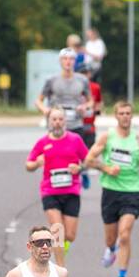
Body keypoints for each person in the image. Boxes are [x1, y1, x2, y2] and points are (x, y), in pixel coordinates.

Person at [86, 100, 139, 277]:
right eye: (121, 113)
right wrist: (106, 168)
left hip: (132, 191)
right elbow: (88, 160)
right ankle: (110, 248)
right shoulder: (107, 137)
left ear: (132, 116)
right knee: (111, 238)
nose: (125, 116)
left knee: (125, 234)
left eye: (128, 113)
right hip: (110, 191)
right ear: (116, 116)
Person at [26, 111, 87, 265]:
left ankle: (60, 251)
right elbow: (28, 165)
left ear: (65, 121)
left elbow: (88, 160)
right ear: (49, 121)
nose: (57, 122)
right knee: (58, 230)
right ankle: (61, 271)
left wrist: (79, 167)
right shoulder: (42, 142)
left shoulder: (75, 140)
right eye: (54, 119)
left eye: (60, 119)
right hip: (50, 192)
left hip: (71, 190)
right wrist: (37, 163)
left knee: (70, 235)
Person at [35, 48, 92, 143]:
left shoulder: (83, 80)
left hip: (76, 124)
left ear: (75, 61)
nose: (68, 62)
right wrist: (45, 110)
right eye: (64, 59)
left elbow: (91, 101)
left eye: (71, 59)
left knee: (75, 155)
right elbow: (38, 101)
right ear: (60, 61)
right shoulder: (51, 80)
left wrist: (85, 107)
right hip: (56, 125)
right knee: (55, 155)